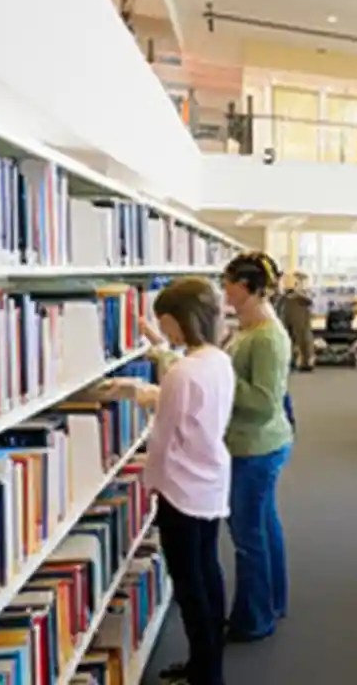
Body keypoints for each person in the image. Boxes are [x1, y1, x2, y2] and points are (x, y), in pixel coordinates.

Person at [133, 278, 233, 685]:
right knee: (208, 572)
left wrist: (147, 482)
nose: (166, 331)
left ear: (175, 320)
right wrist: (162, 351)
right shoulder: (217, 359)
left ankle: (205, 675)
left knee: (189, 588)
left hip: (180, 489)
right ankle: (208, 665)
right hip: (210, 480)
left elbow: (163, 436)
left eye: (165, 324)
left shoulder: (182, 373)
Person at [220, 252, 294, 642]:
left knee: (248, 534)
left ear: (246, 287)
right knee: (263, 525)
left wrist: (218, 376)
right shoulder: (250, 327)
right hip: (252, 444)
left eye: (227, 281)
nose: (223, 289)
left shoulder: (267, 336)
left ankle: (254, 618)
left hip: (256, 447)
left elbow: (265, 402)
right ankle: (272, 602)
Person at [279, 272, 315, 372]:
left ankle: (306, 361)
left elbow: (307, 299)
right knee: (291, 336)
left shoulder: (303, 291)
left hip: (298, 307)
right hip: (291, 307)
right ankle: (296, 360)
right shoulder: (288, 293)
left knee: (302, 335)